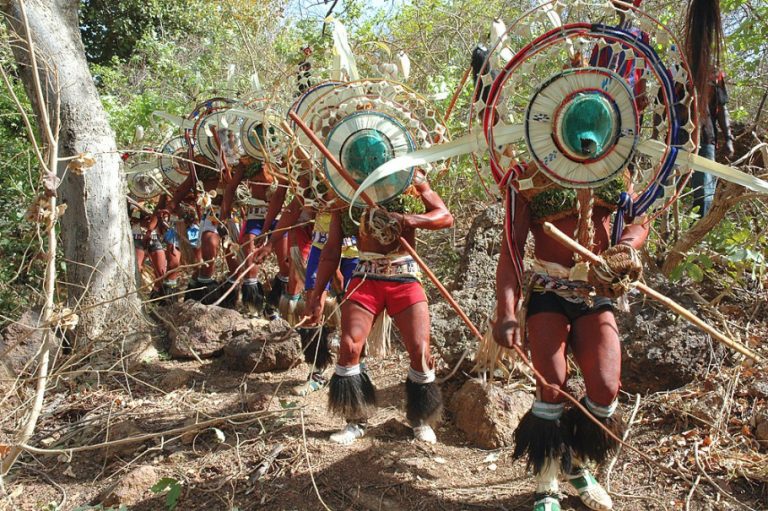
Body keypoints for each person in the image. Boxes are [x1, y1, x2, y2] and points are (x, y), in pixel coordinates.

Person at [493, 159, 648, 511]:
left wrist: (624, 247)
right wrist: (505, 310)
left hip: (596, 290)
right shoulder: (528, 174)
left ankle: (577, 464)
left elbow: (639, 220)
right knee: (551, 383)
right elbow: (512, 247)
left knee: (606, 387)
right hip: (548, 289)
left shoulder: (615, 164)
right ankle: (546, 481)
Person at [306, 170, 453, 445]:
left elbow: (444, 216)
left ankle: (420, 418)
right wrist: (317, 292)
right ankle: (355, 418)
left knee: (421, 351)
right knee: (349, 347)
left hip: (404, 275)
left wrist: (407, 219)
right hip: (365, 277)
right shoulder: (345, 189)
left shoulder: (411, 178)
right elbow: (331, 250)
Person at [220, 154, 288, 316]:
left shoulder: (284, 159)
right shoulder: (247, 161)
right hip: (255, 218)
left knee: (286, 266)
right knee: (250, 265)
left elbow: (280, 194)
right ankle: (253, 306)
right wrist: (225, 216)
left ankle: (274, 306)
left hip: (279, 216)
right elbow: (230, 188)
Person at [692, 70, 734, 216]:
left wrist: (728, 138)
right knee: (667, 189)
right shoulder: (677, 68)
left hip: (705, 138)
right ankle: (663, 231)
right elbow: (662, 104)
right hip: (678, 140)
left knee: (703, 193)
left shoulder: (715, 74)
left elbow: (722, 107)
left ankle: (696, 234)